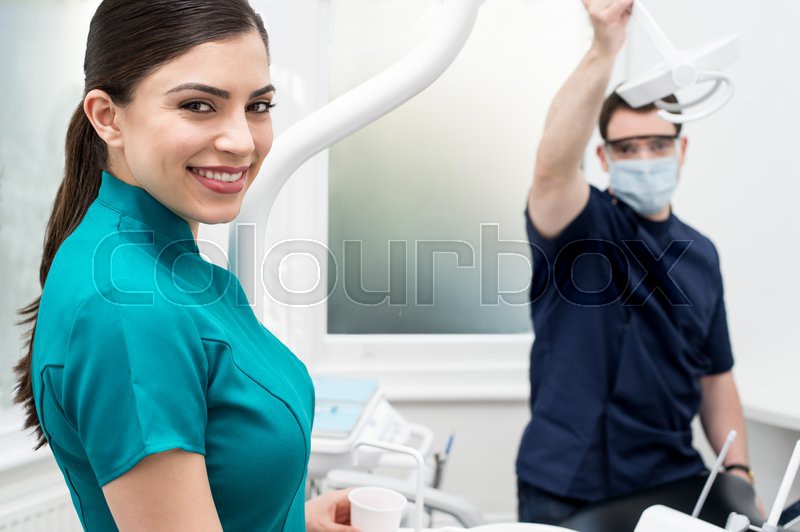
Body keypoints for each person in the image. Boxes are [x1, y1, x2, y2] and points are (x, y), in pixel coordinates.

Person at [13, 1, 356, 530]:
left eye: (258, 106)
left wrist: (296, 521)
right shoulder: (128, 304)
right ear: (107, 117)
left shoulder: (160, 261)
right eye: (198, 105)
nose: (242, 141)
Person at [516, 0, 754, 524]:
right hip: (567, 486)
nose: (644, 158)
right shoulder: (579, 227)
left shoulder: (701, 255)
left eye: (657, 144)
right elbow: (552, 168)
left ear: (681, 150)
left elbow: (716, 377)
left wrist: (738, 471)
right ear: (604, 158)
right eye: (626, 149)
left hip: (671, 482)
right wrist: (604, 48)